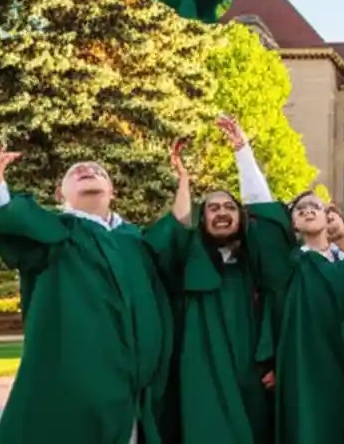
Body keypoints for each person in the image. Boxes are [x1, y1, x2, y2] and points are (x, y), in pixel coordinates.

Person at [0, 145, 172, 443]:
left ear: (112, 191)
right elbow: (12, 222)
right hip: (68, 386)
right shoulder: (53, 233)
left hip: (130, 393)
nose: (88, 171)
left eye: (98, 171)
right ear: (59, 194)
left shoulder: (135, 242)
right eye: (76, 172)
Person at [145, 117, 275, 444]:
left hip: (251, 375)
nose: (220, 212)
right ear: (202, 220)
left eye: (229, 207)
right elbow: (172, 233)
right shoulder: (190, 263)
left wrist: (242, 152)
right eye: (212, 208)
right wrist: (184, 181)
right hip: (200, 374)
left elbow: (265, 211)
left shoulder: (255, 264)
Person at [243, 164, 344, 443]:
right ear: (293, 225)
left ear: (327, 215)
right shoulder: (287, 266)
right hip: (301, 372)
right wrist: (242, 152)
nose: (308, 211)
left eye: (314, 206)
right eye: (299, 210)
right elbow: (262, 205)